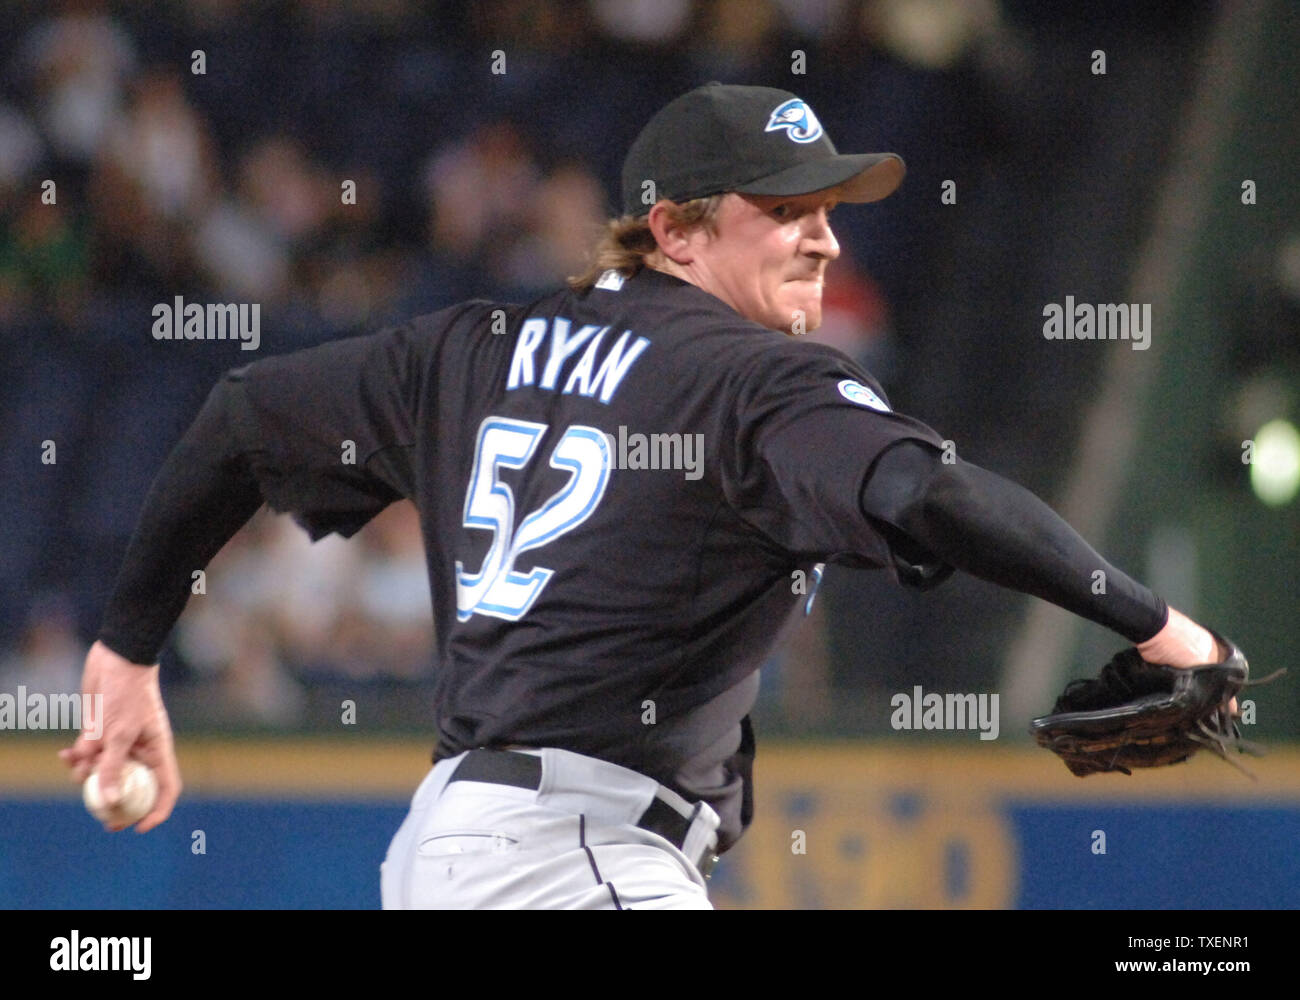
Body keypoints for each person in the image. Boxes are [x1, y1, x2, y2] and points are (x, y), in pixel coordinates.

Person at [61, 83, 1234, 909]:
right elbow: (928, 495)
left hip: (451, 851)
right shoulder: (753, 377)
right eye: (783, 210)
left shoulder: (471, 346)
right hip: (574, 856)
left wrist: (127, 652)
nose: (824, 241)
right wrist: (1160, 625)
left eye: (828, 209)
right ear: (672, 229)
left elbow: (239, 416)